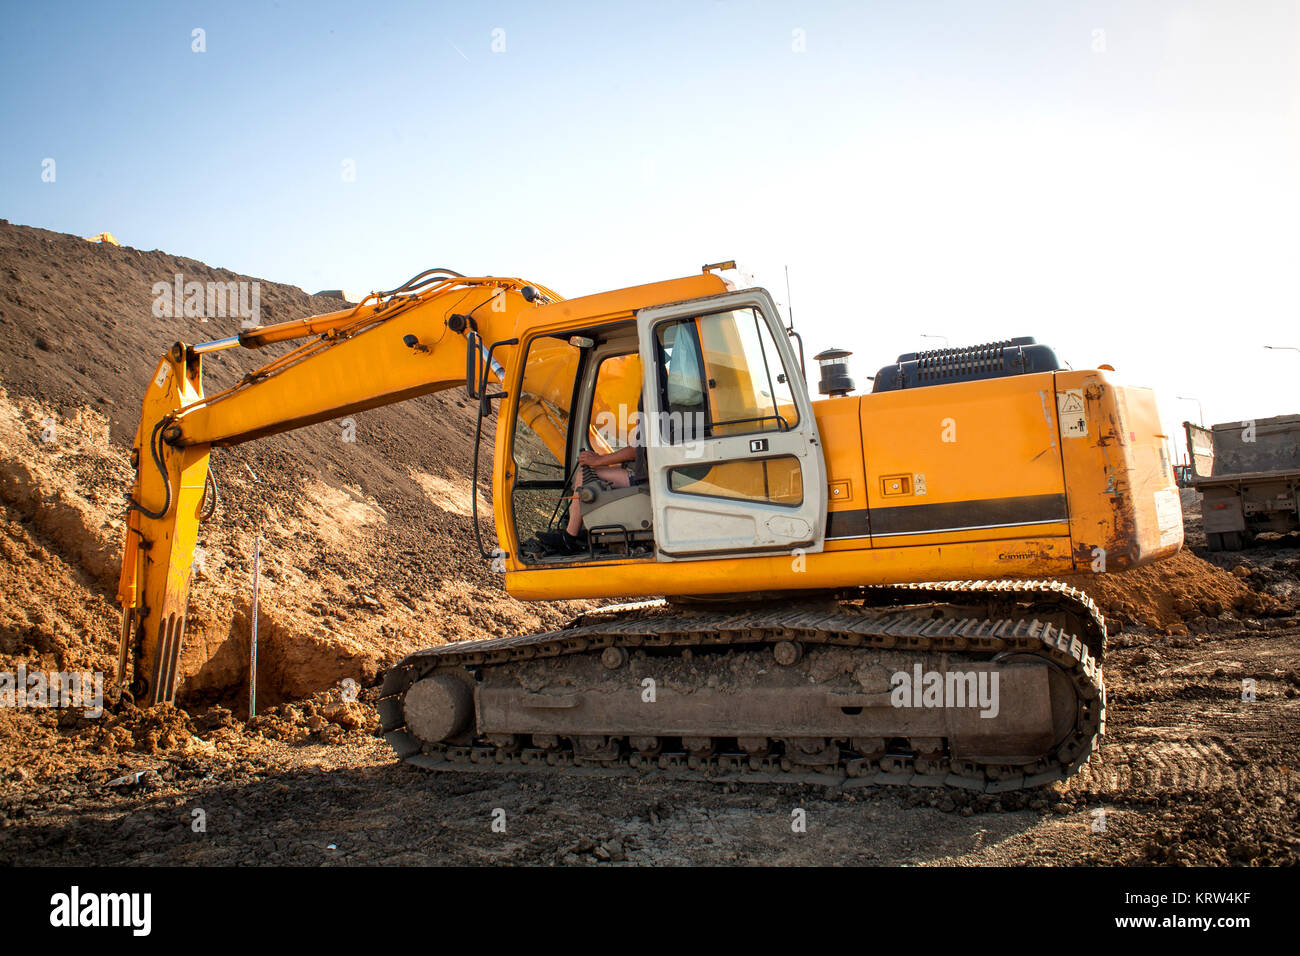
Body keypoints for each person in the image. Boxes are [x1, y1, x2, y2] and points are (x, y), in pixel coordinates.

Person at [540, 406, 647, 555]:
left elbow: (634, 451)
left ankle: (569, 538)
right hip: (647, 473)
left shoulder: (650, 403)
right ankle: (582, 529)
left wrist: (599, 460)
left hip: (644, 478)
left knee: (583, 477)